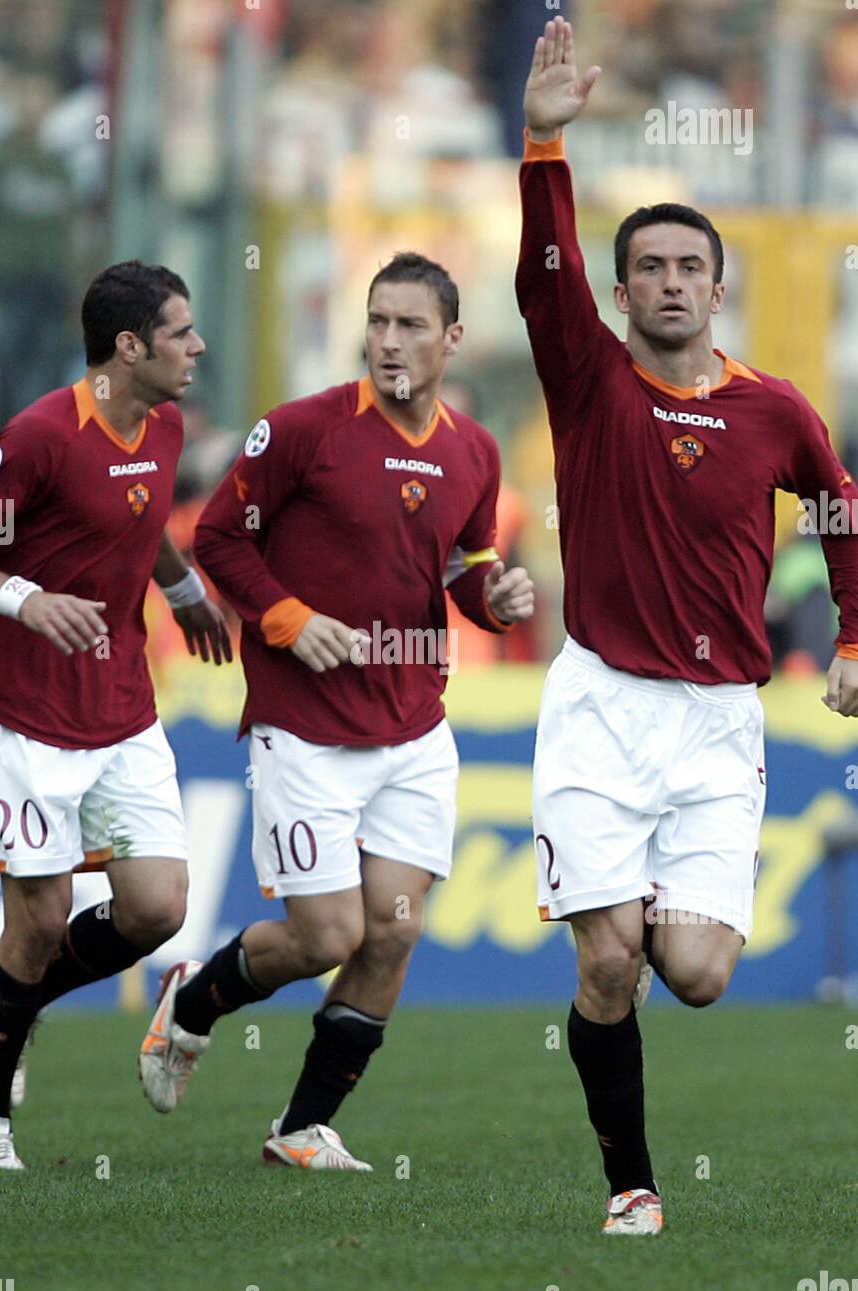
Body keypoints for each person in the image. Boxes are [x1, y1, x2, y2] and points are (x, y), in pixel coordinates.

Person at [518, 20, 858, 1234]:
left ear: (717, 288)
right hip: (599, 705)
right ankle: (633, 1183)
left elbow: (846, 516)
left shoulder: (774, 410)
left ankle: (633, 1110)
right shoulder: (589, 380)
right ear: (621, 293)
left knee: (698, 975)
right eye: (651, 268)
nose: (672, 282)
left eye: (692, 267)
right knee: (609, 959)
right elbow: (541, 275)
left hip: (720, 723)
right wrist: (546, 143)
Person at [139, 252, 535, 1170]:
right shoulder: (303, 430)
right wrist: (288, 619)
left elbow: (463, 571)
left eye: (410, 325)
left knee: (391, 929)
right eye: (378, 321)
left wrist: (495, 601)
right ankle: (192, 1004)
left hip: (413, 727)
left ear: (451, 340)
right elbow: (215, 541)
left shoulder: (473, 451)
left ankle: (303, 1126)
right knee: (326, 937)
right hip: (305, 725)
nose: (389, 341)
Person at [0, 261, 231, 1171]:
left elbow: (138, 516)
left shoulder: (163, 425)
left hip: (122, 707)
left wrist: (181, 587)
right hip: (23, 712)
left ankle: (5, 998)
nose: (197, 346)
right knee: (40, 925)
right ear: (127, 347)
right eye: (180, 332)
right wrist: (23, 597)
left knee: (157, 908)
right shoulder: (42, 435)